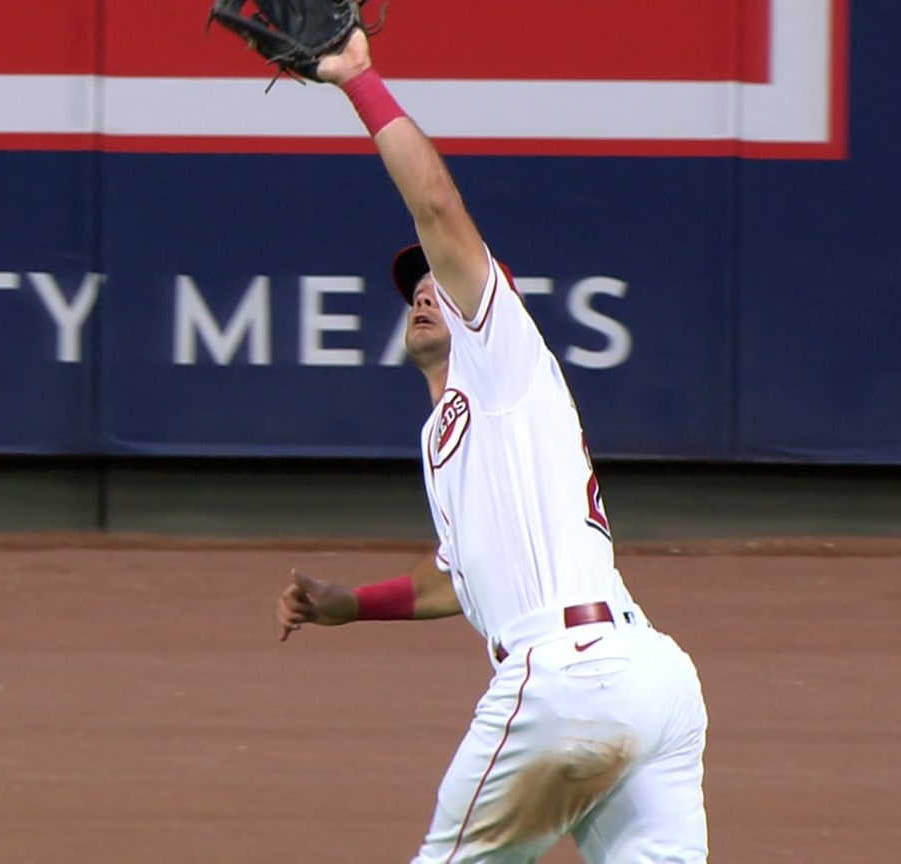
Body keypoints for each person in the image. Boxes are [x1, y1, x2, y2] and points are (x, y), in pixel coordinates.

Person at [272, 28, 711, 864]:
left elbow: (436, 207)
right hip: (648, 683)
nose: (427, 295)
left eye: (442, 283)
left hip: (569, 679)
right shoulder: (451, 433)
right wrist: (347, 604)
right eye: (414, 290)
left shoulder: (505, 358)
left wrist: (360, 79)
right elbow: (459, 579)